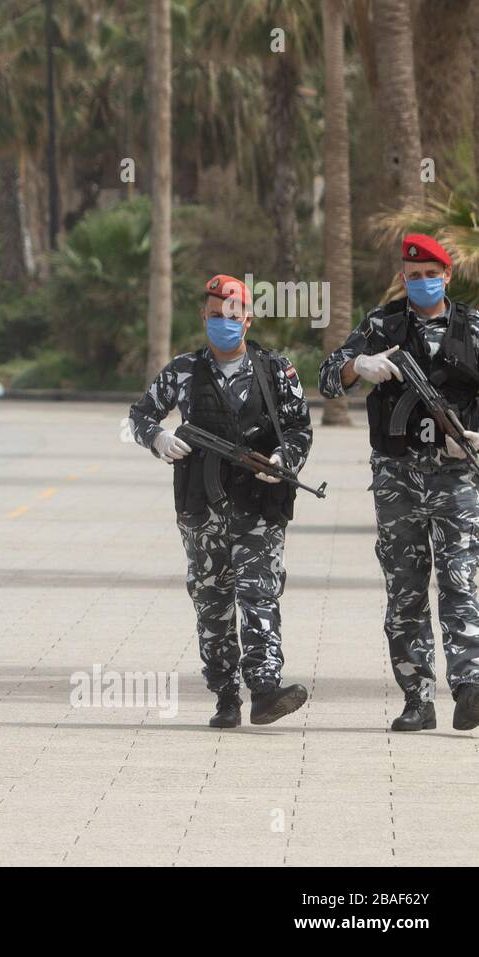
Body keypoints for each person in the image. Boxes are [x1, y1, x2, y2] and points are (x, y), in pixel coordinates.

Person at [129, 274, 312, 728]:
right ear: (204, 317)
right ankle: (225, 693)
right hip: (201, 511)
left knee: (259, 593)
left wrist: (282, 458)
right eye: (215, 316)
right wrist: (157, 438)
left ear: (247, 319)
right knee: (211, 603)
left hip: (258, 504)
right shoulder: (183, 371)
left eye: (232, 316)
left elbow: (299, 429)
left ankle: (266, 689)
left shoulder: (275, 370)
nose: (223, 323)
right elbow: (140, 414)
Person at [319, 234, 479, 732]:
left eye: (432, 275)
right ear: (403, 279)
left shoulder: (473, 327)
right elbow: (327, 377)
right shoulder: (381, 324)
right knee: (405, 588)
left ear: (447, 276)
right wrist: (356, 367)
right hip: (398, 478)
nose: (423, 283)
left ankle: (471, 686)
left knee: (462, 580)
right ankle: (417, 697)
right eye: (414, 277)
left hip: (458, 477)